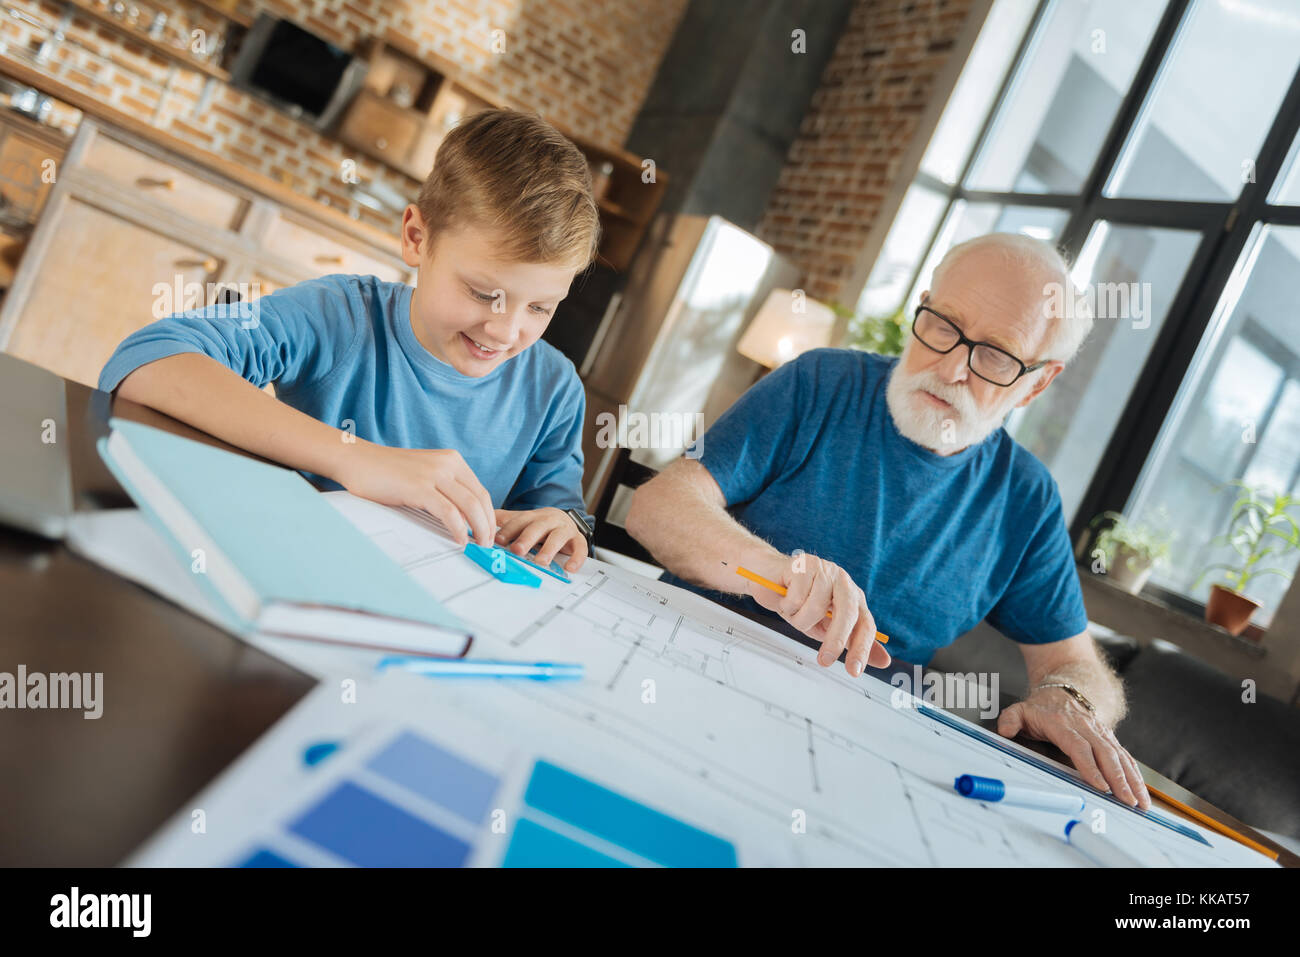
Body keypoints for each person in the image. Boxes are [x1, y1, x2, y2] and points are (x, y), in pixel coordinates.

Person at [626, 232, 1151, 808]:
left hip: (848, 751)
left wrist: (1068, 698)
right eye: (944, 325)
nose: (951, 366)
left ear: (1038, 382)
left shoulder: (1025, 498)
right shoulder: (820, 384)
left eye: (996, 355)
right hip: (684, 669)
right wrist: (777, 571)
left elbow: (1075, 663)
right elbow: (659, 505)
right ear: (920, 307)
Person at [99, 109, 598, 573]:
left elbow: (558, 519)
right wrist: (354, 457)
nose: (506, 331)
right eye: (483, 292)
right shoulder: (339, 315)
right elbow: (147, 361)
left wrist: (564, 527)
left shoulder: (554, 389)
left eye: (540, 307)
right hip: (284, 567)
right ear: (417, 238)